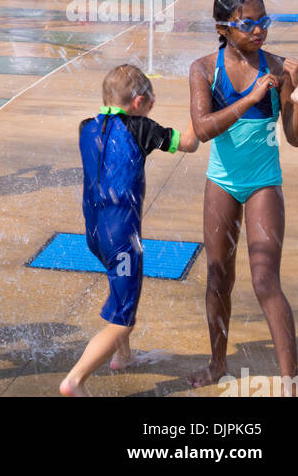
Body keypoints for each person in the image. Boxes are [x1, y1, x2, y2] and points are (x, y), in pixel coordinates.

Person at [187, 0, 298, 392]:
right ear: (223, 28)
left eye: (264, 21)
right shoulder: (205, 68)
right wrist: (252, 96)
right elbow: (203, 130)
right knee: (218, 275)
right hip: (222, 182)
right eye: (248, 24)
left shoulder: (276, 67)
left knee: (263, 280)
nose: (259, 31)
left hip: (263, 185)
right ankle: (217, 363)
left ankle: (291, 380)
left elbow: (295, 138)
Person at [59, 65, 197, 396]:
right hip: (122, 237)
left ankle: (123, 355)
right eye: (150, 100)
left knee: (122, 289)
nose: (152, 105)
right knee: (123, 318)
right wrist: (202, 101)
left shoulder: (86, 126)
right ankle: (74, 381)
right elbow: (189, 142)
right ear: (138, 102)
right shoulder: (141, 129)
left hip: (94, 233)